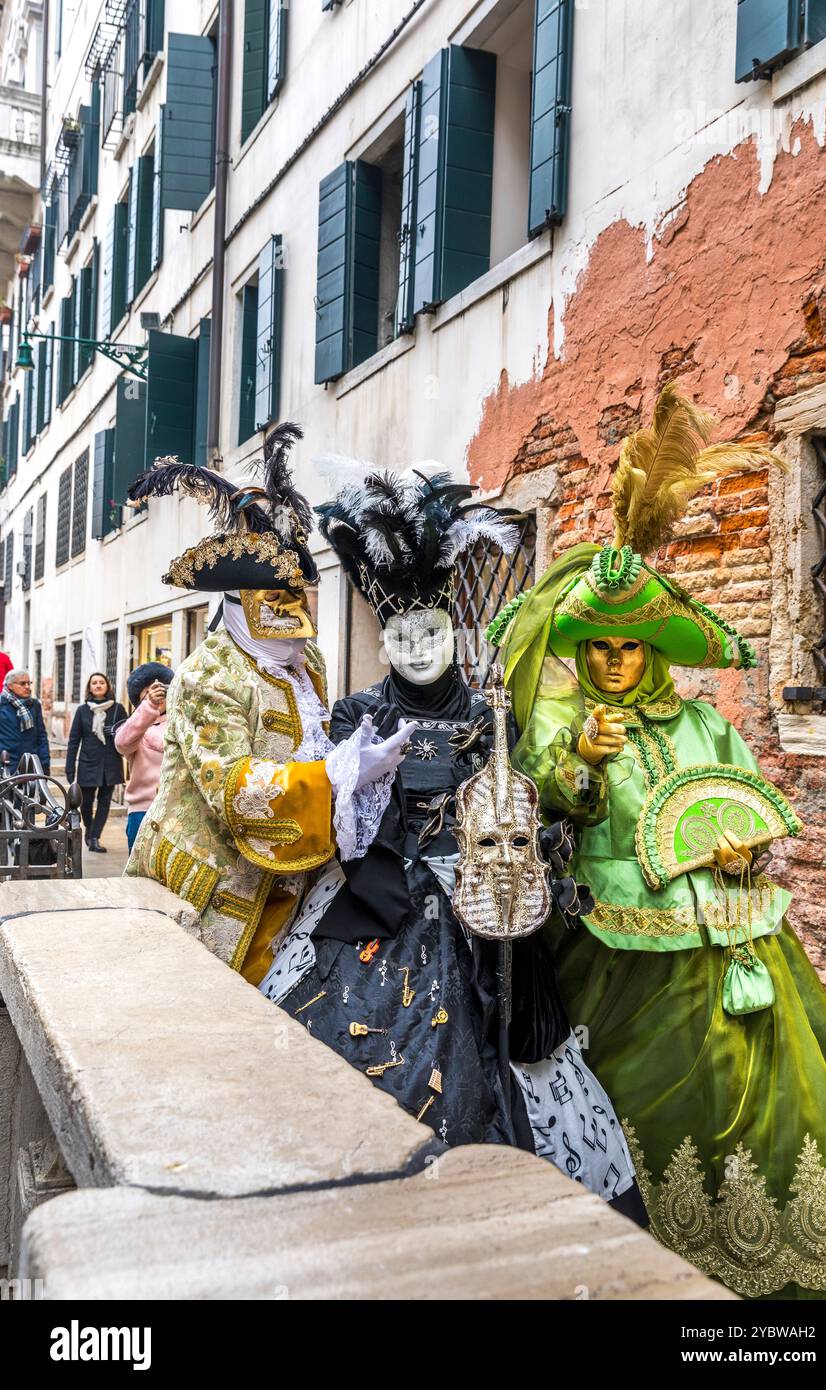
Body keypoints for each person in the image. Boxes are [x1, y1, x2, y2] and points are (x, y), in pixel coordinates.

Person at [493, 383, 826, 1298]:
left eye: (630, 648)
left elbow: (744, 810)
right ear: (582, 654)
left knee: (784, 1111)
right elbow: (549, 807)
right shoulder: (564, 727)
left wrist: (743, 852)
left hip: (738, 950)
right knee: (626, 1106)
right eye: (598, 649)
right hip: (618, 958)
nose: (614, 662)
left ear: (655, 651)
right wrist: (579, 760)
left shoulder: (703, 728)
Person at [258, 463, 644, 1218]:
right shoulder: (356, 714)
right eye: (401, 633)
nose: (419, 646)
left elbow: (530, 804)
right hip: (379, 897)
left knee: (510, 1048)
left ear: (453, 630)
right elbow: (341, 822)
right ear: (385, 639)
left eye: (432, 630)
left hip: (483, 895)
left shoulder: (492, 714)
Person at [124, 424, 413, 979]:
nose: (293, 622)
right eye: (276, 602)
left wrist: (355, 761)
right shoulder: (209, 674)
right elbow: (232, 788)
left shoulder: (311, 665)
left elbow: (312, 742)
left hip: (291, 877)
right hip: (214, 891)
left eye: (299, 601)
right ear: (238, 604)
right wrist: (335, 774)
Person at [114, 663, 175, 854]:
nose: (158, 695)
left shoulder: (182, 724)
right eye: (148, 692)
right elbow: (122, 743)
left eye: (161, 688)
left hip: (178, 812)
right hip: (143, 811)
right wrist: (149, 706)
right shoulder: (136, 727)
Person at [64, 672, 126, 853]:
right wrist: (70, 767)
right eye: (94, 683)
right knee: (86, 802)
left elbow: (128, 733)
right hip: (88, 762)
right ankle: (89, 829)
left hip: (110, 762)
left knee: (105, 801)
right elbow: (74, 740)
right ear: (89, 688)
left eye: (101, 682)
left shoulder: (118, 709)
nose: (98, 685)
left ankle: (95, 837)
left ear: (107, 686)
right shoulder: (83, 710)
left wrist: (114, 732)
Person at [0, 669, 50, 773]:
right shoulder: (1, 705)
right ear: (10, 686)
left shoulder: (34, 705)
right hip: (6, 766)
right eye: (22, 683)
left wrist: (45, 764)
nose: (27, 687)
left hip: (30, 765)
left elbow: (41, 736)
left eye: (29, 683)